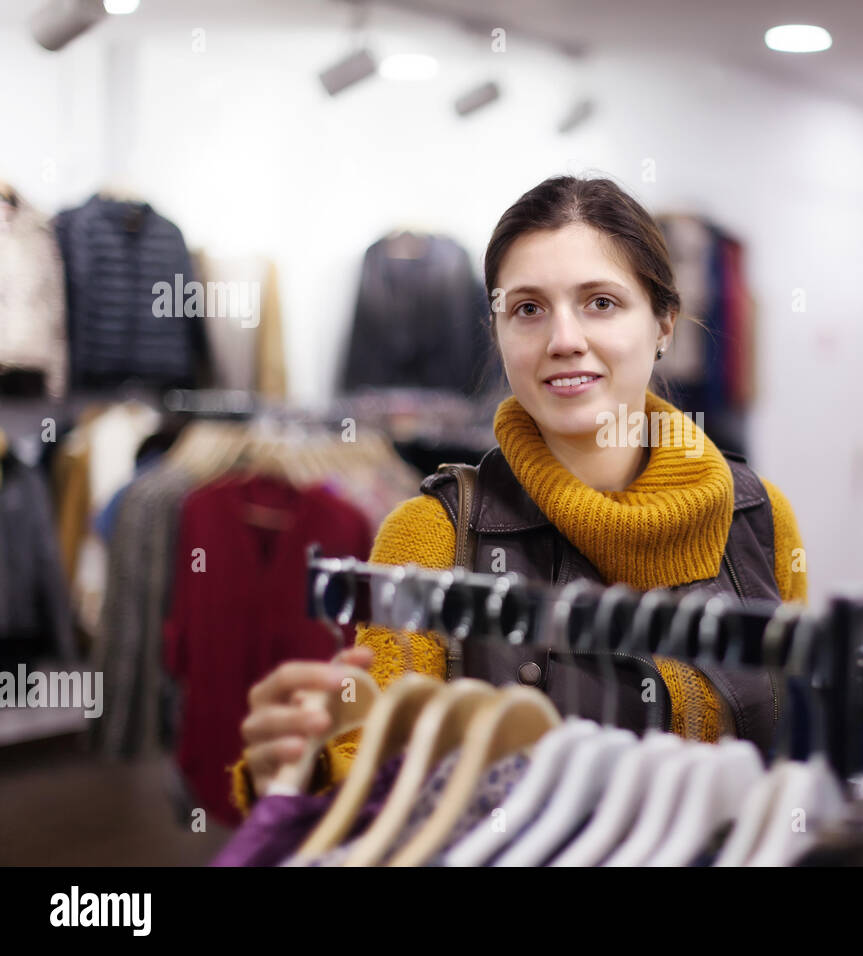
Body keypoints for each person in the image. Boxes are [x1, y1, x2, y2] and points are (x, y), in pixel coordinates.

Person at [231, 175, 807, 815]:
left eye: (601, 303)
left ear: (665, 322)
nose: (564, 339)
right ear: (498, 331)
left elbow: (798, 768)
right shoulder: (435, 537)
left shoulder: (759, 519)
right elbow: (369, 780)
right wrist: (293, 771)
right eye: (528, 309)